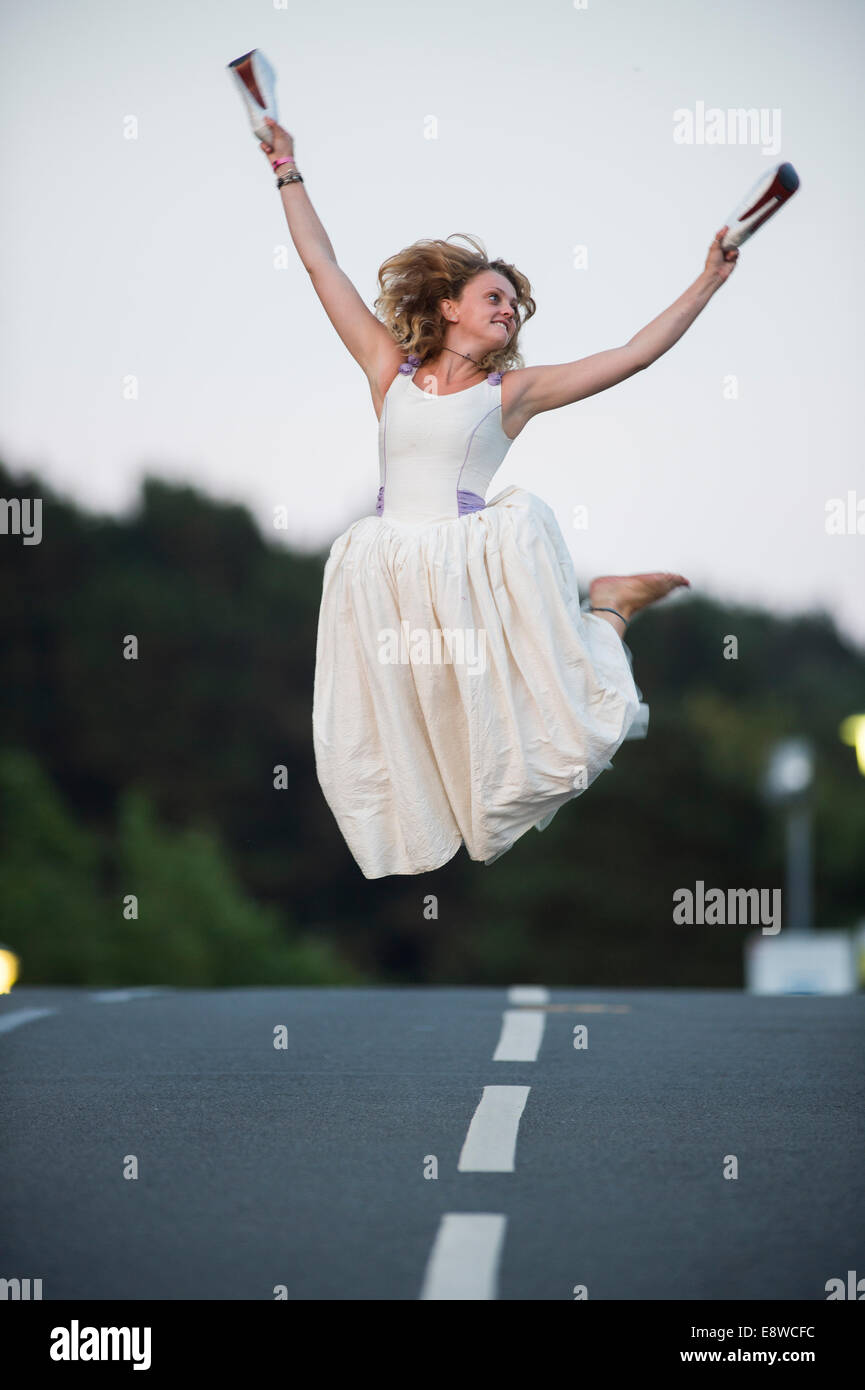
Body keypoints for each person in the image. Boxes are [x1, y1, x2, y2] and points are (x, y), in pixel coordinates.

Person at [259, 118, 739, 879]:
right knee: (389, 742)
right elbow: (322, 267)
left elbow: (633, 354)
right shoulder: (387, 370)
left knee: (540, 741)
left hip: (469, 574)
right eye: (493, 296)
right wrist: (286, 166)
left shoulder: (509, 393)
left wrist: (708, 278)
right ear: (448, 306)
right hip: (387, 575)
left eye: (514, 303)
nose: (508, 309)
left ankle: (609, 609)